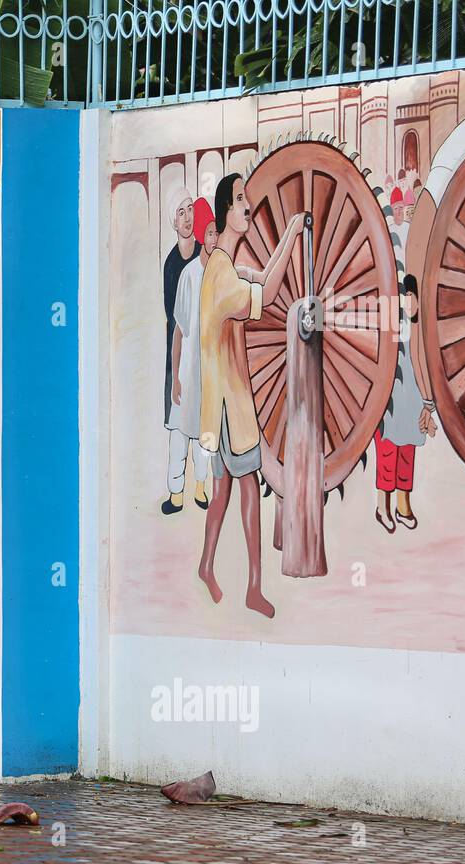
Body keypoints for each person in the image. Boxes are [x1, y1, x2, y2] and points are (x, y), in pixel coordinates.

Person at [196, 174, 304, 618]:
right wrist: (294, 233)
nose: (248, 206)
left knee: (222, 490)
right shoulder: (222, 278)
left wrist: (286, 243)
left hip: (220, 400)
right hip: (230, 403)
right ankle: (254, 587)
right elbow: (272, 290)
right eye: (241, 199)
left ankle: (206, 566)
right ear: (225, 212)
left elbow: (262, 277)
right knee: (247, 487)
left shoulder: (224, 268)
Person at [373, 275, 438, 532]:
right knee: (387, 452)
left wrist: (427, 404)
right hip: (389, 400)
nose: (409, 303)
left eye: (412, 298)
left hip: (412, 398)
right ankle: (382, 506)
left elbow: (425, 365)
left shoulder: (420, 333)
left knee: (407, 453)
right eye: (405, 297)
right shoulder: (389, 327)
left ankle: (403, 504)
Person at [168, 196, 216, 510]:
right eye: (209, 232)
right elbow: (179, 330)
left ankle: (200, 486)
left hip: (211, 370)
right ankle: (175, 491)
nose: (214, 238)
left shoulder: (221, 273)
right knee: (180, 432)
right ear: (201, 236)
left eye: (216, 232)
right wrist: (175, 378)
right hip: (187, 368)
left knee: (206, 432)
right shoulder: (188, 276)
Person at [161, 184, 199, 514]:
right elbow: (172, 319)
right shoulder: (172, 265)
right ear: (174, 222)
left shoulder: (206, 255)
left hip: (204, 351)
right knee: (177, 425)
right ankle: (176, 493)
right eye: (181, 212)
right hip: (180, 350)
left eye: (191, 209)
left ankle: (202, 488)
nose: (188, 217)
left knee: (203, 424)